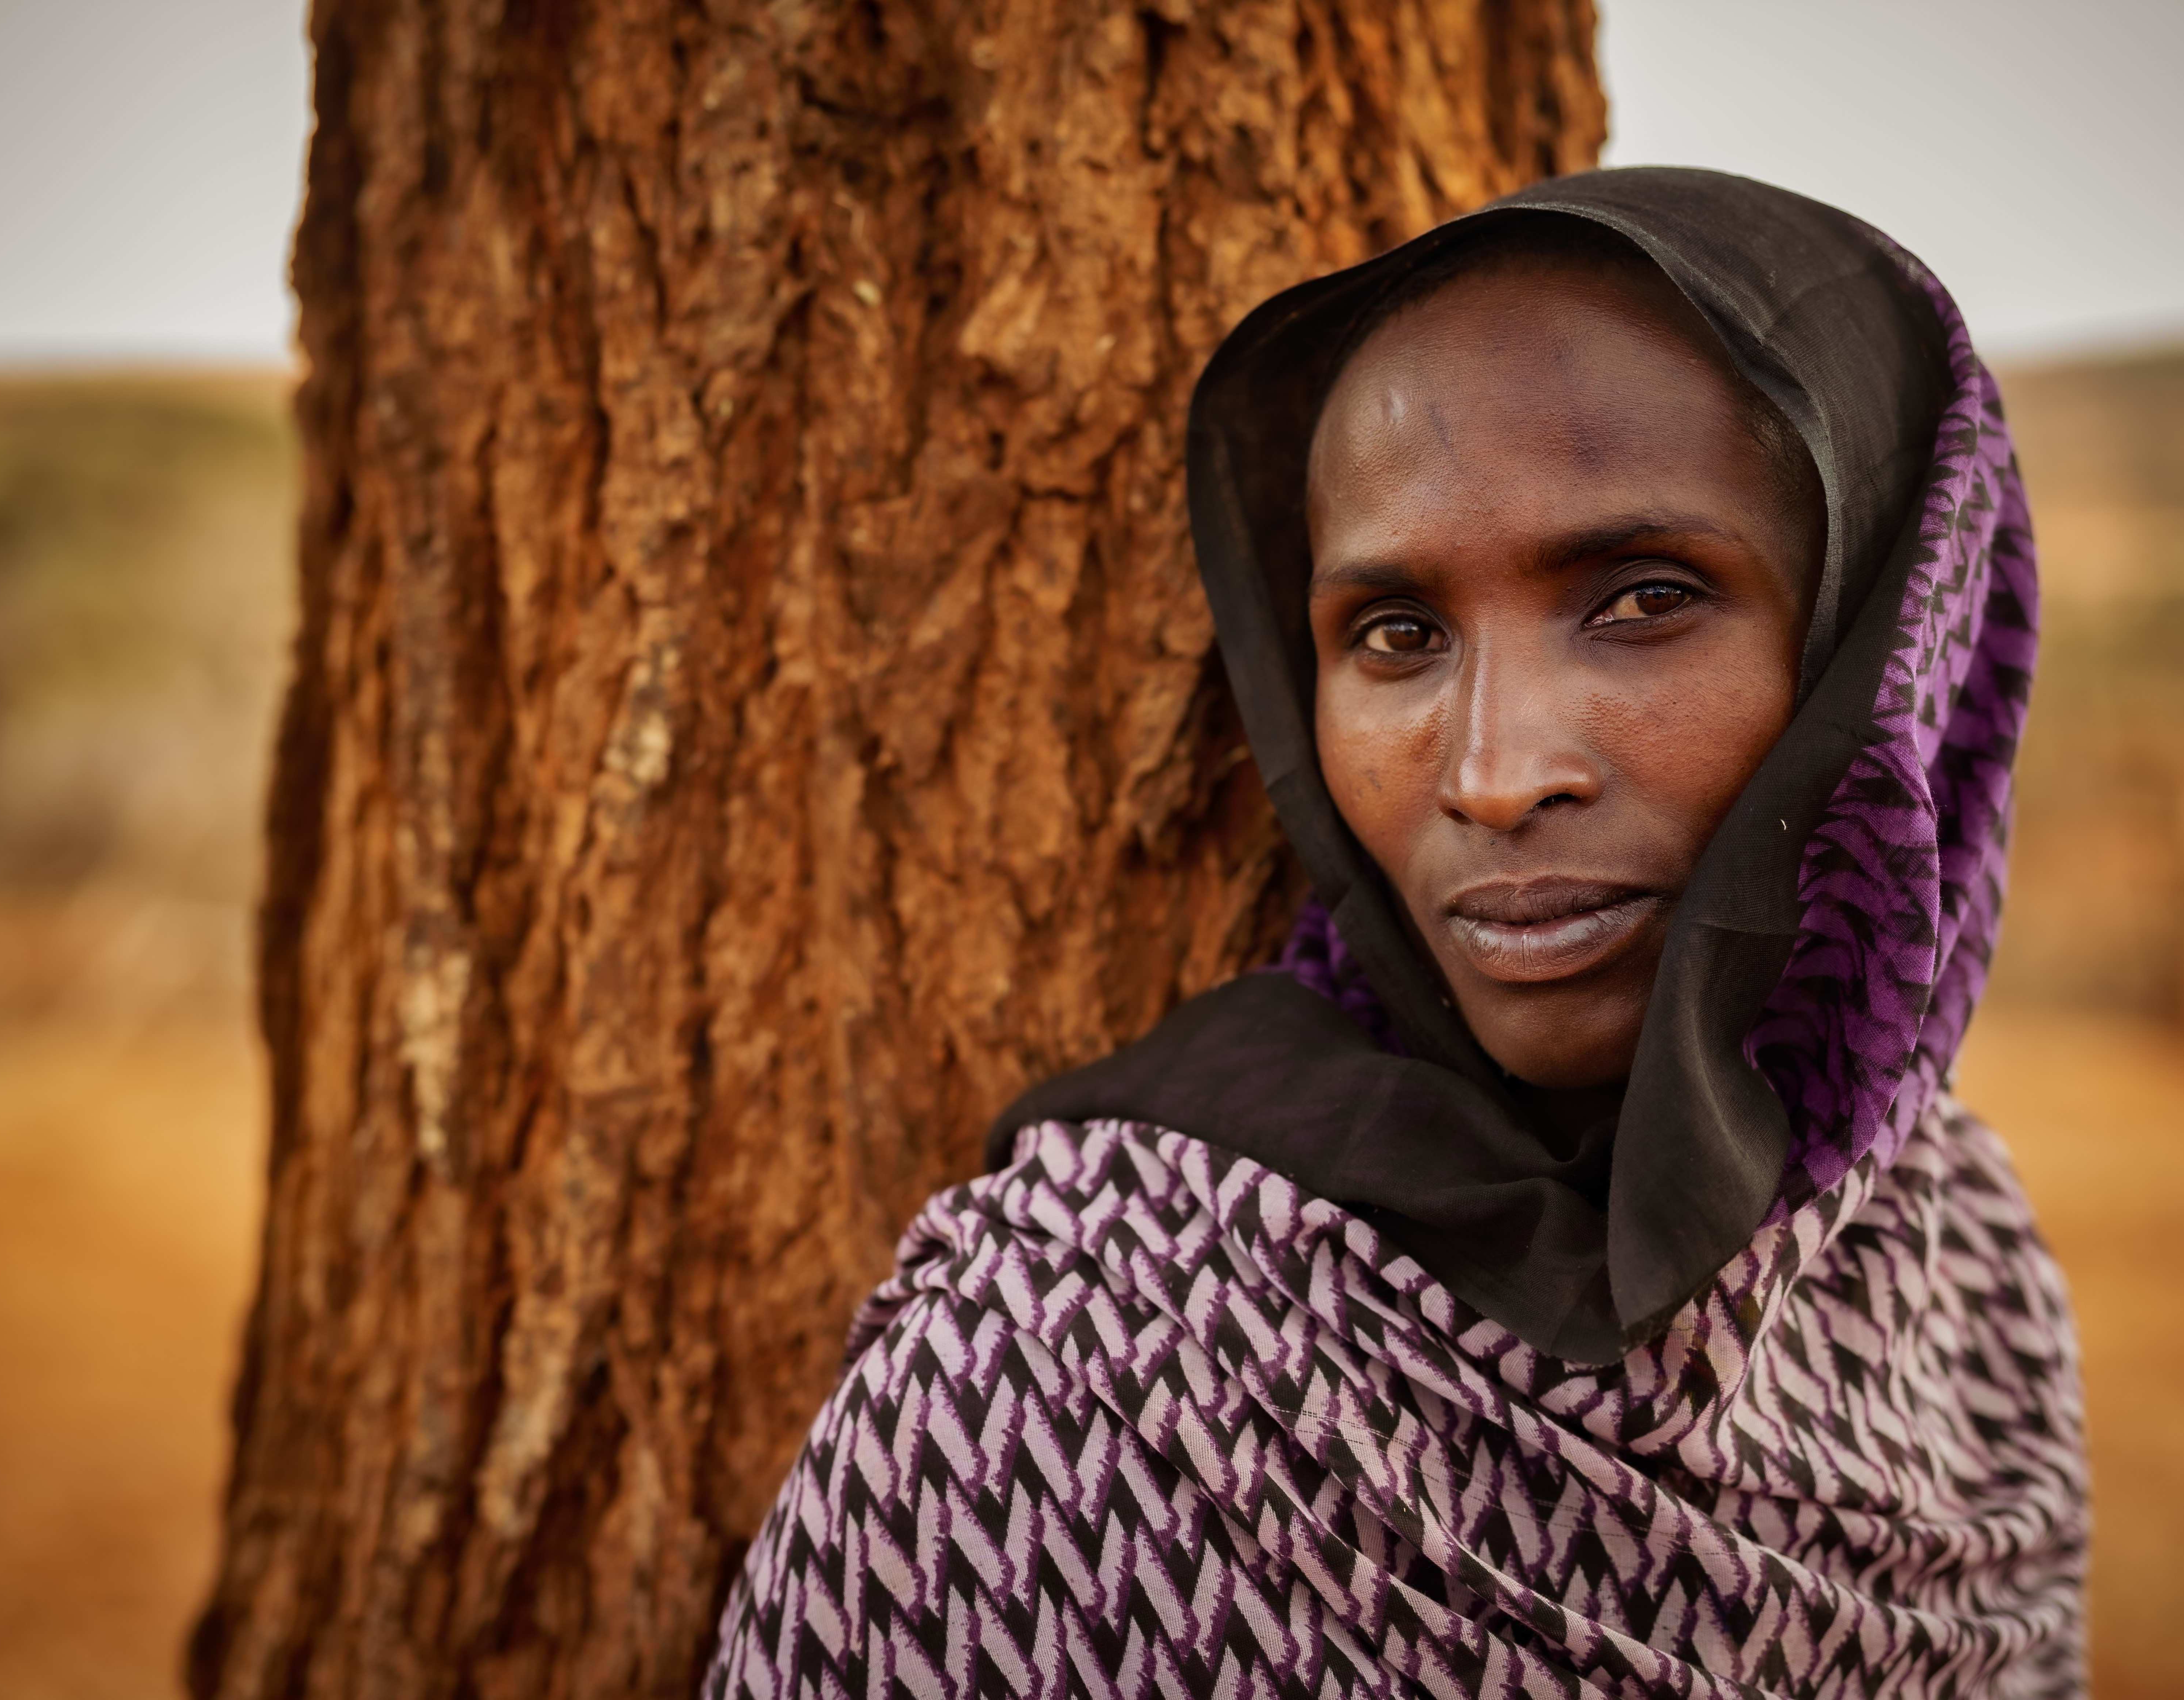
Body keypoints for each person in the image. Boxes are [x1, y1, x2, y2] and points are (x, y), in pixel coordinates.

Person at [702, 167, 2087, 1699]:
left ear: (1889, 642)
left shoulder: (1955, 1260)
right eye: (1397, 636)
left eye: (1639, 598)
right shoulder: (1072, 1371)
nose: (1494, 775)